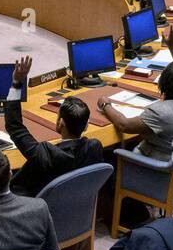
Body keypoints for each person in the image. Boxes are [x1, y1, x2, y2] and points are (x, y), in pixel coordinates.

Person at [100, 23, 173, 162]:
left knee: (108, 155)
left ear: (162, 86)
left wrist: (105, 105)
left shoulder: (161, 113)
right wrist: (172, 47)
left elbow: (124, 125)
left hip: (160, 168)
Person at [5, 56, 103, 196]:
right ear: (86, 126)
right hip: (74, 205)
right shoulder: (94, 148)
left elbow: (14, 127)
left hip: (35, 208)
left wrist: (16, 83)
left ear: (61, 123)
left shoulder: (46, 155)